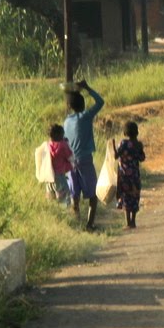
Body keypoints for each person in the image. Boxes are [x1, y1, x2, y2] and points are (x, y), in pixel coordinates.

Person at [63, 80, 105, 230]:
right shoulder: (86, 116)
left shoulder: (66, 121)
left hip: (70, 161)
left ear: (69, 107)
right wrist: (87, 88)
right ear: (83, 106)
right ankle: (89, 224)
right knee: (93, 195)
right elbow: (100, 102)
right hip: (85, 159)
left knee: (75, 194)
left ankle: (76, 222)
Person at [113, 120, 146, 229]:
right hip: (135, 176)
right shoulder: (138, 145)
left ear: (125, 133)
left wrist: (114, 147)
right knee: (135, 197)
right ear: (137, 132)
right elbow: (142, 158)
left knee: (126, 198)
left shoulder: (123, 143)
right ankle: (133, 221)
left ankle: (128, 223)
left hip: (124, 177)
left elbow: (116, 156)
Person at [46, 124, 73, 204]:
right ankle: (65, 213)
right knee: (64, 196)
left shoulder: (48, 144)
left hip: (49, 175)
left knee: (51, 197)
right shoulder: (63, 145)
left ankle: (53, 214)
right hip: (60, 175)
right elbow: (70, 158)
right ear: (59, 135)